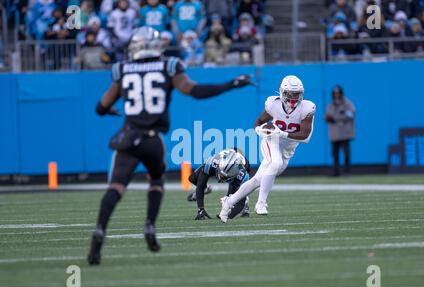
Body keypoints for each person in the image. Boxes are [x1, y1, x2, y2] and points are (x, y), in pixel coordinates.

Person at [87, 26, 252, 265]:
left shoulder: (122, 69)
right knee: (156, 182)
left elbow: (100, 107)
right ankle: (150, 227)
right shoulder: (168, 66)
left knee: (116, 188)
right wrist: (232, 84)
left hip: (128, 136)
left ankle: (100, 231)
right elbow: (195, 91)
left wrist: (109, 109)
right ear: (156, 46)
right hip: (153, 139)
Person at [218, 75, 316, 222]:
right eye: (290, 93)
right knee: (274, 163)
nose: (294, 97)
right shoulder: (273, 104)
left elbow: (305, 137)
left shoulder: (307, 108)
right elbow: (258, 122)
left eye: (297, 94)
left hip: (287, 149)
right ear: (282, 92)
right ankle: (261, 203)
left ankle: (229, 202)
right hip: (271, 140)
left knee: (258, 180)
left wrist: (282, 133)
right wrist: (260, 130)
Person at [187, 148, 251, 220]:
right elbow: (200, 185)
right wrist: (200, 209)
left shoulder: (242, 175)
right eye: (221, 174)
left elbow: (240, 204)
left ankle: (245, 202)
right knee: (192, 179)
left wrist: (228, 216)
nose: (221, 177)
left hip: (241, 162)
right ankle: (205, 189)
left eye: (225, 177)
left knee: (231, 196)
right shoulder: (212, 164)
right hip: (227, 157)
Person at [324, 85, 356, 177]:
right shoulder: (331, 105)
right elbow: (326, 116)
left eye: (338, 93)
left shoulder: (347, 103)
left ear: (341, 93)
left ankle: (347, 171)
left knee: (346, 153)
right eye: (335, 93)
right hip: (334, 133)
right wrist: (328, 118)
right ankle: (336, 172)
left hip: (345, 132)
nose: (336, 95)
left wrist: (338, 117)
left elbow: (351, 113)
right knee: (335, 154)